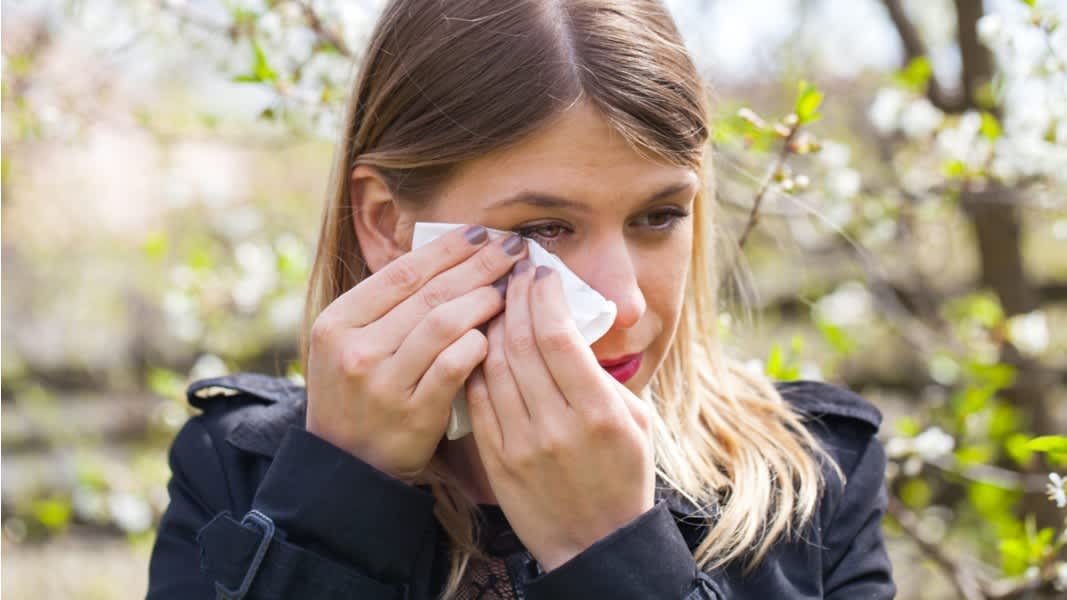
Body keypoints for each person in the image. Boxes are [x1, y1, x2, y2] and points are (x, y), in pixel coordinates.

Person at [146, 0, 896, 598]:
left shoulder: (810, 482)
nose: (625, 304)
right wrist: (341, 497)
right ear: (384, 222)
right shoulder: (239, 472)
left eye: (658, 216)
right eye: (544, 227)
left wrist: (611, 553)